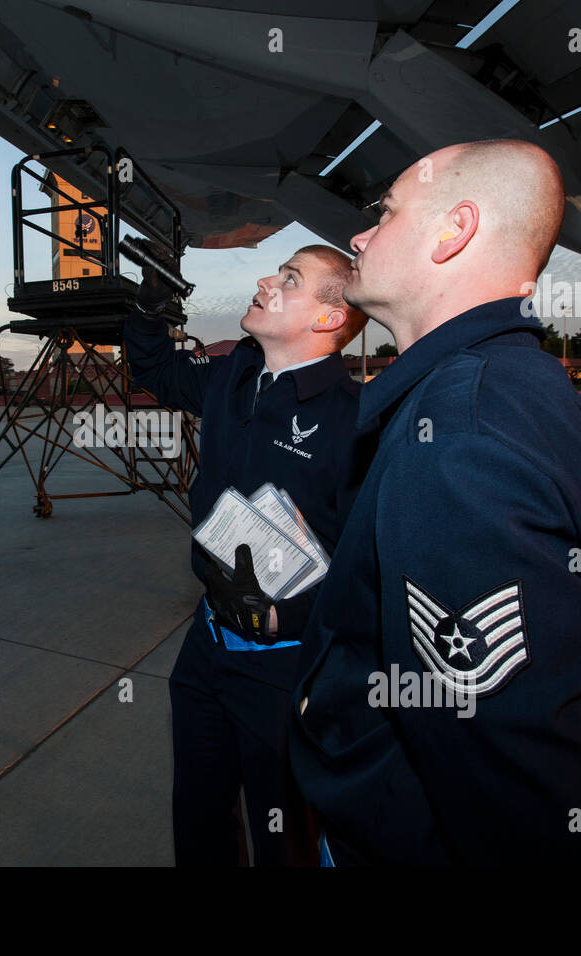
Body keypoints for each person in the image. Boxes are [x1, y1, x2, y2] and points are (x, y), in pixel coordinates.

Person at [289, 139, 581, 864]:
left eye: (388, 211)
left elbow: (526, 783)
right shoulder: (521, 388)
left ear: (453, 230)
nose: (359, 235)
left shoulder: (459, 443)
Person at [124, 241, 375, 866]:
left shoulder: (357, 423)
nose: (266, 280)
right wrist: (149, 306)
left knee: (283, 834)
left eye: (289, 278)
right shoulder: (232, 378)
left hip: (287, 670)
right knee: (199, 812)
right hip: (207, 645)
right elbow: (153, 367)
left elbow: (369, 567)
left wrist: (288, 615)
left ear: (328, 318)